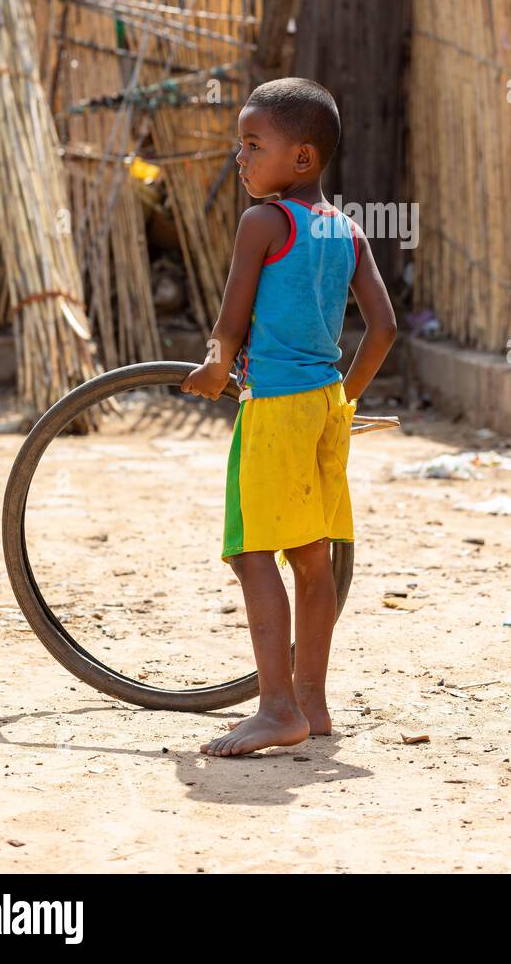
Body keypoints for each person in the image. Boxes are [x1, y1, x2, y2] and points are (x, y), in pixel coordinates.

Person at [181, 77, 397, 756]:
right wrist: (345, 399)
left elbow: (231, 319)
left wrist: (217, 368)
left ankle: (276, 708)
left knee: (251, 553)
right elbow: (384, 328)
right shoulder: (348, 231)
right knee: (310, 557)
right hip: (323, 405)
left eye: (252, 145)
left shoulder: (263, 223)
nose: (239, 158)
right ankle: (313, 703)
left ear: (302, 159)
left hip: (274, 410)